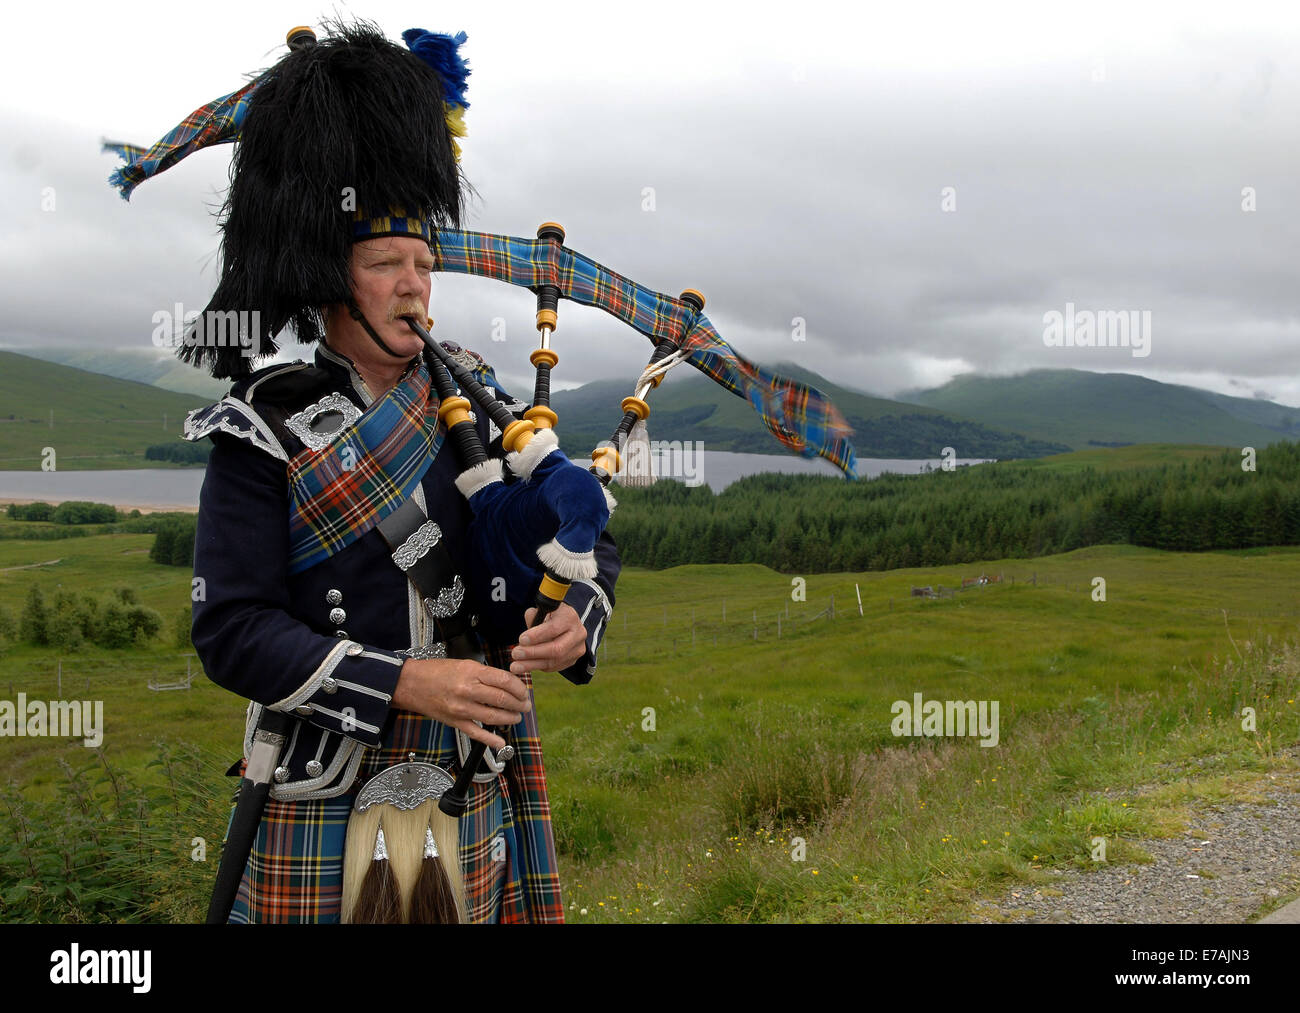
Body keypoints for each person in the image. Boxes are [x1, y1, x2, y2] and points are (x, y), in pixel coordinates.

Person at [109, 20, 619, 922]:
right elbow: (231, 628)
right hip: (324, 793)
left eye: (424, 264)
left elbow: (588, 540)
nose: (414, 285)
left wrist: (580, 615)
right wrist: (405, 682)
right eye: (386, 263)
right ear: (328, 277)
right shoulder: (264, 426)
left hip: (472, 780)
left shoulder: (484, 403)